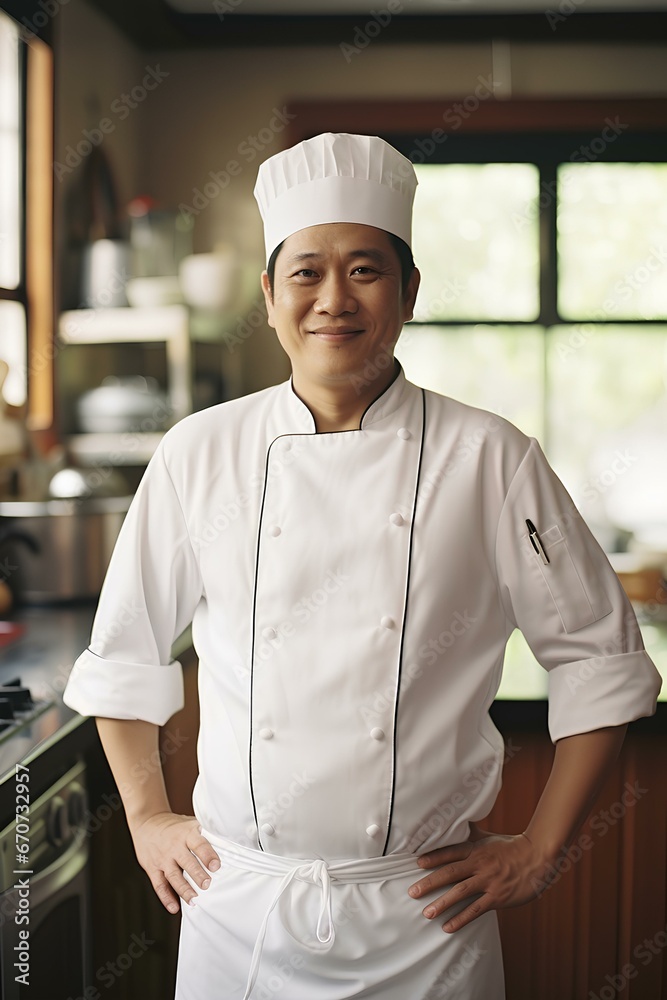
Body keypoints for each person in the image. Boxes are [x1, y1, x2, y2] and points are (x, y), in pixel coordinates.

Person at [63, 132, 662, 1000]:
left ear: (409, 291)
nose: (332, 300)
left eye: (365, 270)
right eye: (304, 272)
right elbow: (124, 658)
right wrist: (151, 818)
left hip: (421, 917)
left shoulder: (488, 458)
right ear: (268, 296)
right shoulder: (201, 454)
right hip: (241, 911)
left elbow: (602, 661)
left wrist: (539, 847)